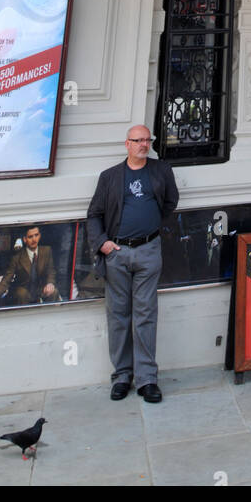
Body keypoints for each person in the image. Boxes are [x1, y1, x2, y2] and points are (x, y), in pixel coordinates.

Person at [86, 124, 179, 403]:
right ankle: (122, 375)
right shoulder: (111, 177)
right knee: (118, 316)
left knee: (145, 315)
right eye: (137, 140)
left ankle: (147, 378)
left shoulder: (161, 170)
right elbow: (94, 214)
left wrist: (148, 228)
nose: (143, 145)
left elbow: (170, 203)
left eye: (147, 140)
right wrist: (103, 243)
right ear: (126, 144)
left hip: (149, 251)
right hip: (117, 254)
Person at [0, 225, 57, 308]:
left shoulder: (46, 250)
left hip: (40, 290)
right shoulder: (17, 257)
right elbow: (6, 280)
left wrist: (50, 283)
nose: (34, 239)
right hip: (22, 291)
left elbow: (51, 270)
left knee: (54, 292)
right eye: (30, 237)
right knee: (21, 293)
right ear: (25, 239)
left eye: (36, 235)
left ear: (40, 236)